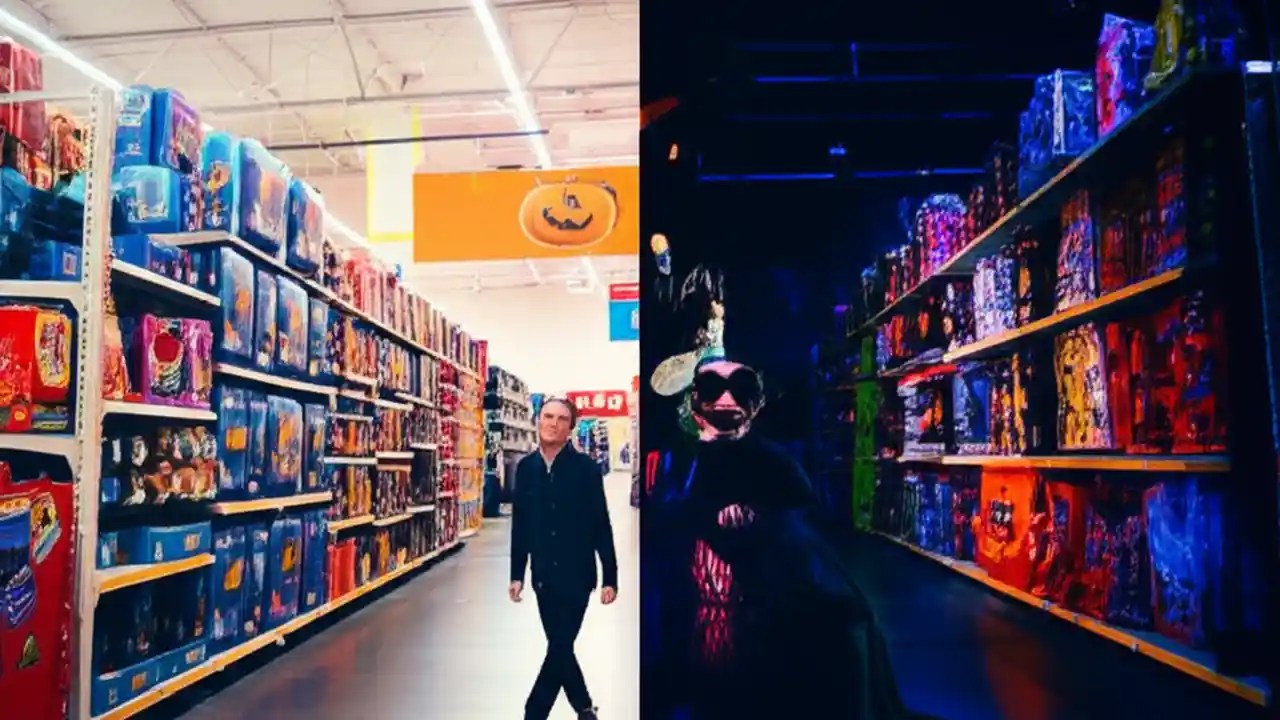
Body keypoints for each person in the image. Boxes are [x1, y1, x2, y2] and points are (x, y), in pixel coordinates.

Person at [642, 358, 934, 719]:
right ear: (696, 401)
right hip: (702, 611)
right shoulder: (679, 461)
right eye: (714, 389)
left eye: (742, 388)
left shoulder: (774, 461)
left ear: (757, 402)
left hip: (769, 611)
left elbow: (801, 515)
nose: (727, 400)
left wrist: (759, 517)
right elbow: (669, 517)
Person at [510, 397, 619, 720]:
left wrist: (610, 576)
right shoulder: (526, 469)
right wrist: (517, 573)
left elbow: (601, 523)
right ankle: (584, 707)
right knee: (561, 645)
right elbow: (521, 525)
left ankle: (534, 712)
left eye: (560, 418)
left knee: (559, 644)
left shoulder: (585, 469)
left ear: (570, 427)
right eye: (547, 416)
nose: (552, 423)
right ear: (537, 420)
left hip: (577, 575)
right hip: (543, 574)